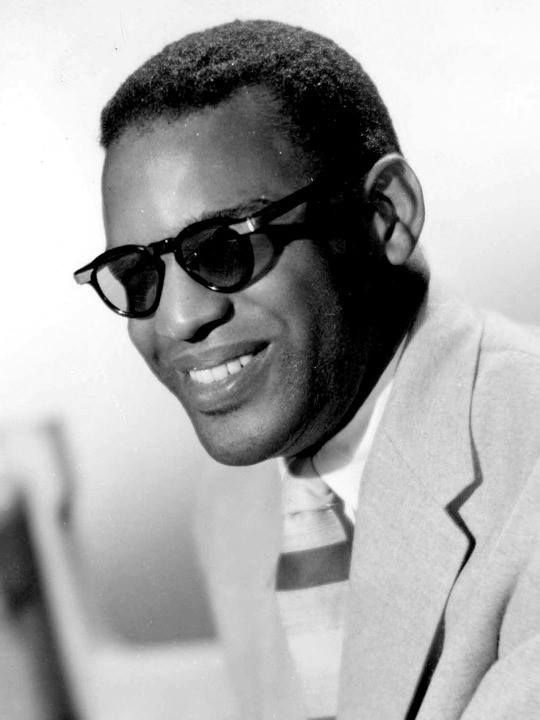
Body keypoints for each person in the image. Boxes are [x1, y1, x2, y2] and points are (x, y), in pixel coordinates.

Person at [73, 19, 540, 720]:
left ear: (386, 215)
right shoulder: (239, 509)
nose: (177, 320)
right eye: (137, 275)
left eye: (223, 248)